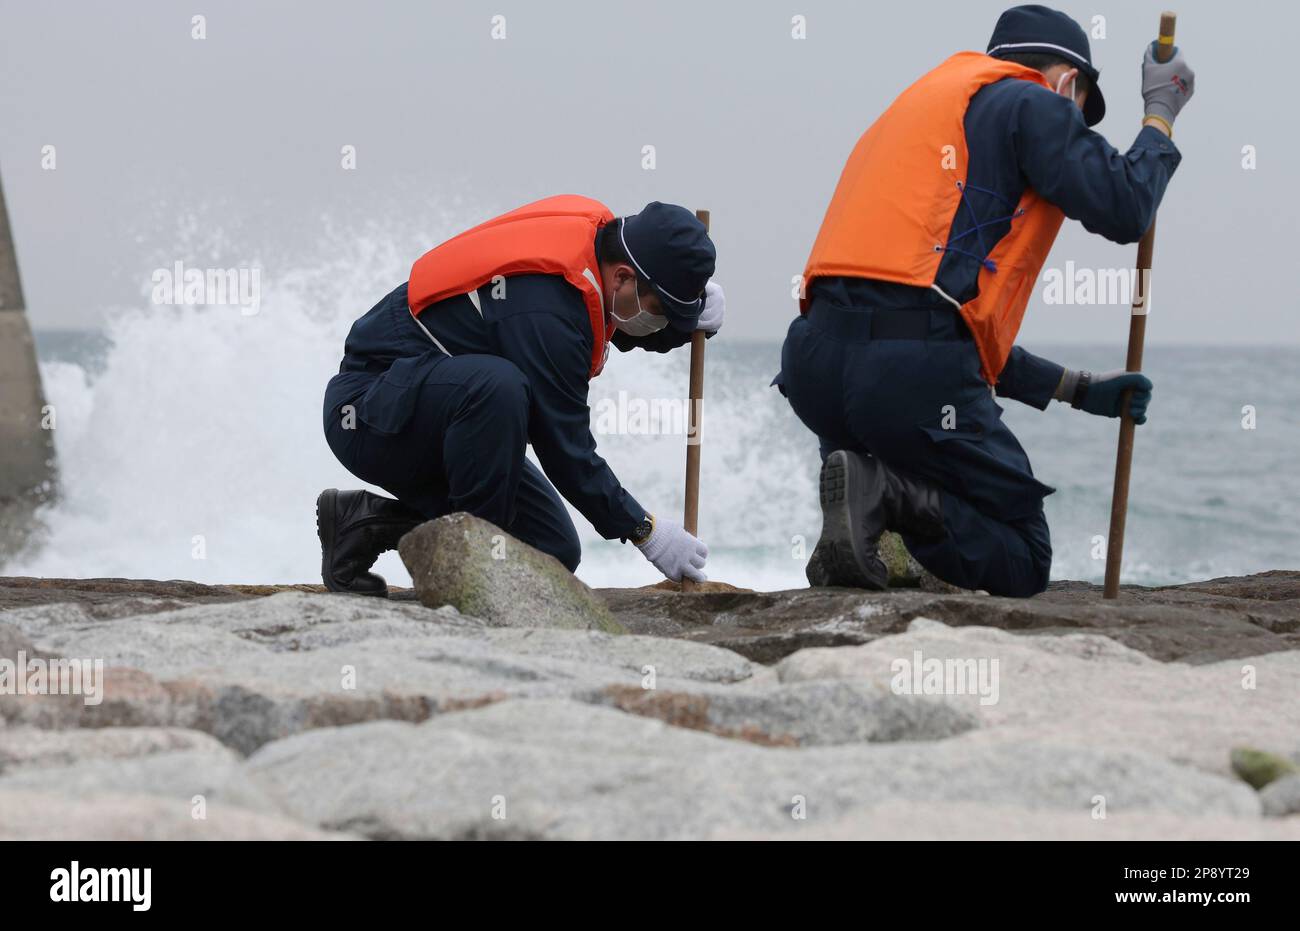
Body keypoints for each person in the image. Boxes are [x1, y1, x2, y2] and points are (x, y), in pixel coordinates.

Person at [776, 4, 1195, 596]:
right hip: (900, 376)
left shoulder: (918, 107)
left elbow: (920, 309)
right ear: (1067, 81)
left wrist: (1072, 388)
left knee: (884, 453)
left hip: (814, 365)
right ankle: (883, 494)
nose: (1075, 125)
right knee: (1023, 555)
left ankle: (861, 522)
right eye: (1080, 114)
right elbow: (1125, 205)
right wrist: (1160, 115)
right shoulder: (1035, 101)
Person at [318, 195, 723, 596]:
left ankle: (359, 523)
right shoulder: (547, 310)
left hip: (446, 418)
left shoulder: (600, 255)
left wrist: (685, 324)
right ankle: (470, 572)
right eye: (662, 311)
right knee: (498, 386)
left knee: (550, 550)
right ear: (621, 277)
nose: (660, 321)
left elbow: (622, 316)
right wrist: (644, 530)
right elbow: (566, 451)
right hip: (370, 414)